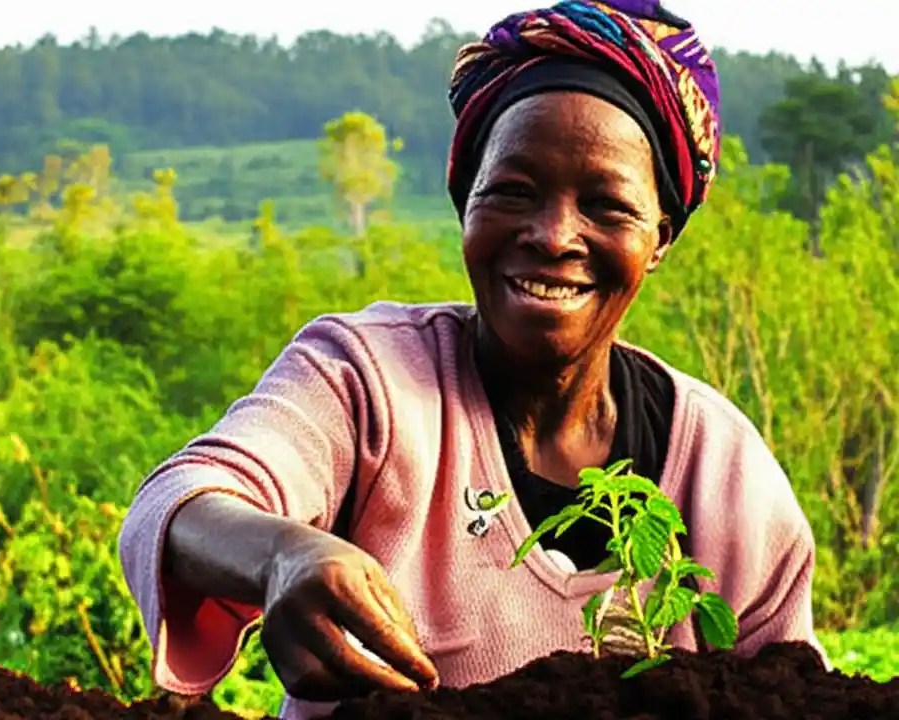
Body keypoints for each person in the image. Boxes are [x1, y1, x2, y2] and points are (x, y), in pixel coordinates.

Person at [118, 2, 827, 718]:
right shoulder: (369, 381)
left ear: (661, 237)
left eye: (607, 206)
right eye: (513, 192)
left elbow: (794, 693)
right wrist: (284, 557)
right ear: (465, 203)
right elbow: (177, 503)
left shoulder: (723, 474)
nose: (553, 237)